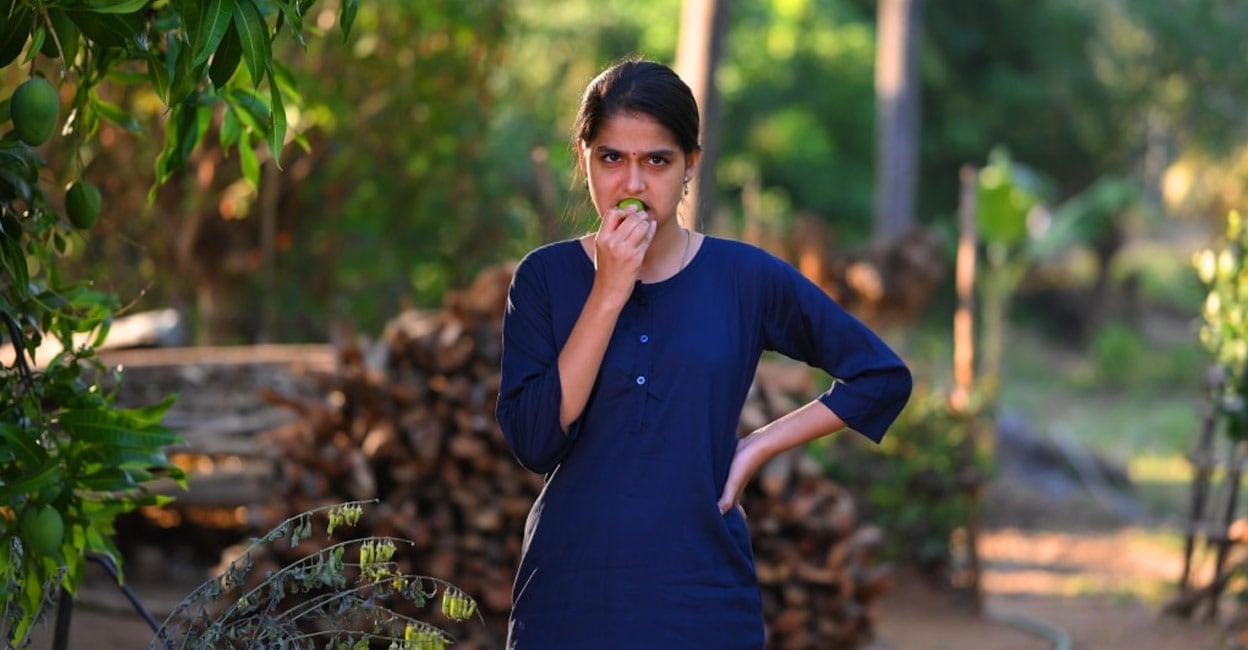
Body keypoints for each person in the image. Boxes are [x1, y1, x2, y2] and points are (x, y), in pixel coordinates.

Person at [495, 57, 912, 649]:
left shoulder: (744, 277)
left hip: (702, 596)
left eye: (656, 161)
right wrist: (609, 291)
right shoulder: (545, 278)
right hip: (569, 597)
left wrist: (758, 447)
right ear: (584, 157)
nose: (633, 184)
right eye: (611, 157)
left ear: (691, 164)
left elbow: (880, 375)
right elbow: (534, 441)